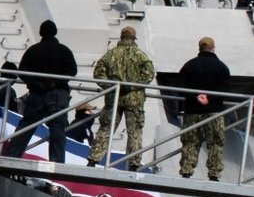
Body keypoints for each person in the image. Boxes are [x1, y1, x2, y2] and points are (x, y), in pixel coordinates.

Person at [89, 25, 156, 169]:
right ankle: (134, 164)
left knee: (106, 129)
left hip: (114, 98)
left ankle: (93, 160)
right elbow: (149, 74)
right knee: (135, 132)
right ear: (133, 38)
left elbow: (98, 74)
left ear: (121, 37)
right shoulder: (140, 55)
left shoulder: (110, 54)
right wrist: (132, 86)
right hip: (134, 99)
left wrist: (112, 86)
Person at [16, 19, 78, 163]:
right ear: (55, 32)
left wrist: (37, 83)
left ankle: (11, 156)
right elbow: (72, 71)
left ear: (41, 33)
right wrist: (55, 82)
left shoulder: (33, 50)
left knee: (27, 126)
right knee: (57, 129)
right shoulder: (64, 50)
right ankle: (57, 164)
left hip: (37, 93)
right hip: (58, 94)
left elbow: (23, 72)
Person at [176, 35, 233, 181]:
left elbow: (181, 86)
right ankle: (214, 174)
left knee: (190, 142)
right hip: (214, 112)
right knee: (215, 143)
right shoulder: (221, 67)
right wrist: (210, 97)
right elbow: (225, 88)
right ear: (213, 49)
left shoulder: (189, 65)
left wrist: (196, 96)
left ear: (199, 48)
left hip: (192, 111)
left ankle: (186, 170)